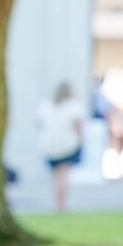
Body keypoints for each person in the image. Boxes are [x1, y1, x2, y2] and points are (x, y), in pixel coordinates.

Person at [37, 82, 86, 213]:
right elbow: (78, 126)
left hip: (49, 146)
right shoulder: (74, 106)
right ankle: (61, 205)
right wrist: (82, 140)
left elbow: (39, 123)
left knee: (56, 177)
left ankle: (57, 204)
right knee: (62, 177)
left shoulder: (45, 105)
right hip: (67, 146)